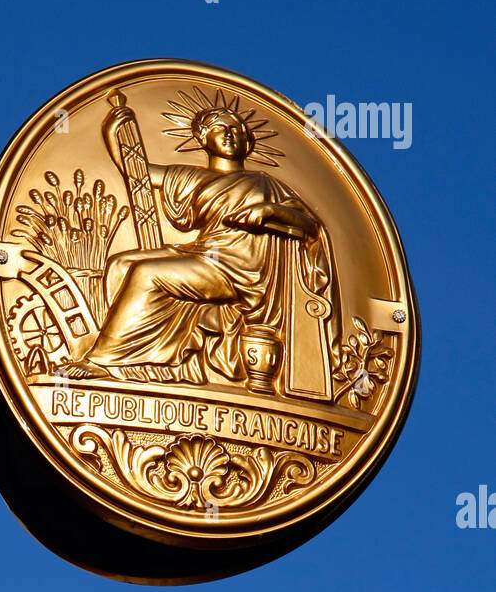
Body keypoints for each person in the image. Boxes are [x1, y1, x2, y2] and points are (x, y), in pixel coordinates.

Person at [64, 104, 339, 387]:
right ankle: (142, 360)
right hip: (206, 254)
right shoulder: (192, 178)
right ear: (203, 139)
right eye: (220, 128)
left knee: (147, 274)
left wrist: (271, 211)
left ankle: (102, 359)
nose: (230, 134)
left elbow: (311, 227)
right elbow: (137, 172)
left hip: (242, 268)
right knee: (121, 265)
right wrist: (113, 133)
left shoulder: (266, 184)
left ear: (247, 140)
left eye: (236, 129)